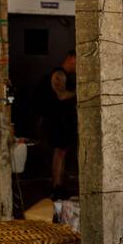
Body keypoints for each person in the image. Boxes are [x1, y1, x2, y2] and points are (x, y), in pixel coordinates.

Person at [45, 50, 77, 200]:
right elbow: (61, 95)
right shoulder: (58, 74)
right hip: (58, 121)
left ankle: (59, 186)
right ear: (71, 58)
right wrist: (79, 92)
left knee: (63, 153)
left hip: (63, 121)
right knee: (59, 153)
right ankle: (56, 187)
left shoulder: (65, 75)